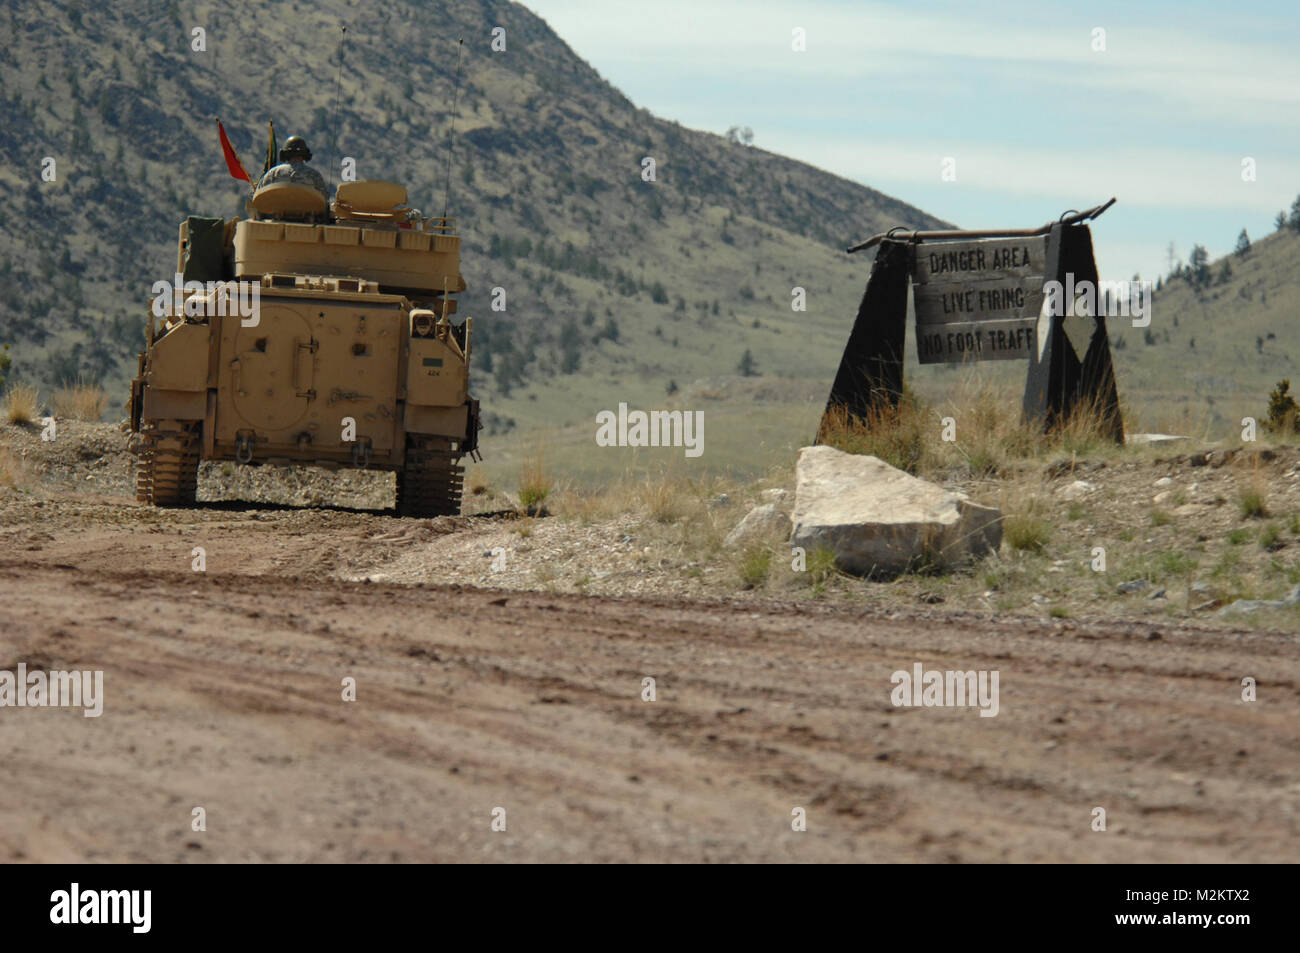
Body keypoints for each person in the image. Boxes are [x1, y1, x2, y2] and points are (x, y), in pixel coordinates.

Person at [254, 136, 328, 201]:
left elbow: (258, 196)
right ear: (305, 154)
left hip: (276, 215)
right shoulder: (314, 175)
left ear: (284, 154)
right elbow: (324, 198)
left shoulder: (273, 174)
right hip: (308, 216)